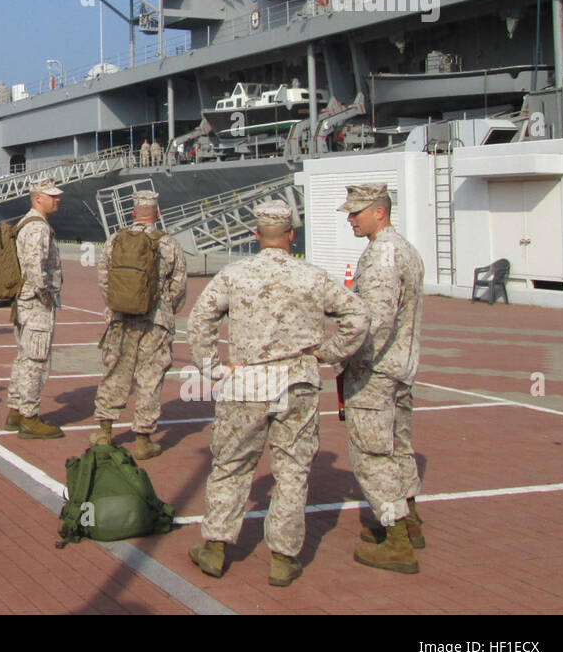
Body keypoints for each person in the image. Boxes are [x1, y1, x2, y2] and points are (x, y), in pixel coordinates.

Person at [186, 200, 370, 587]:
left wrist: (213, 368)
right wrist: (328, 352)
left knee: (231, 465)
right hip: (297, 382)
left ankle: (216, 547)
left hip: (247, 382)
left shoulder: (234, 275)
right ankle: (283, 558)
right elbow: (359, 317)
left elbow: (200, 318)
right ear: (291, 235)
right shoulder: (312, 276)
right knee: (293, 471)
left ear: (256, 236)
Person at [338, 183, 426, 574]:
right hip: (402, 366)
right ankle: (408, 520)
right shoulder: (405, 248)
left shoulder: (382, 255)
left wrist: (345, 356)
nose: (349, 219)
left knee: (372, 454)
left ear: (379, 212)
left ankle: (397, 540)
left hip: (376, 370)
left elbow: (376, 319)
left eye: (356, 212)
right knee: (398, 447)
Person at [91, 190, 187, 458]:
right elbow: (179, 286)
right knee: (150, 377)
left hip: (121, 320)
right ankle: (143, 440)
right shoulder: (168, 244)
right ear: (157, 214)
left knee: (116, 373)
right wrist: (167, 309)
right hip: (156, 321)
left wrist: (118, 305)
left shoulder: (115, 240)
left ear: (133, 213)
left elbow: (104, 280)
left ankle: (104, 432)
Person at [5, 179, 66, 438]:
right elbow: (34, 265)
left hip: (23, 302)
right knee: (36, 360)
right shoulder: (38, 228)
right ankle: (29, 417)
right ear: (37, 198)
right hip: (35, 304)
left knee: (24, 356)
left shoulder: (25, 223)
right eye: (51, 196)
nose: (57, 199)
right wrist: (45, 295)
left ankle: (15, 410)